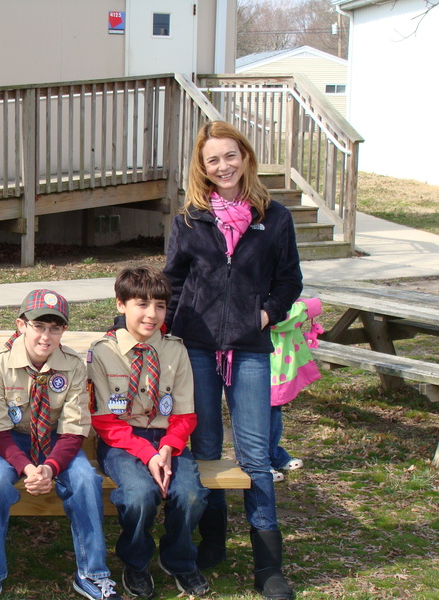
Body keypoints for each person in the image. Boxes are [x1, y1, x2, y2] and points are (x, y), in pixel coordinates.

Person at [162, 120, 302, 600]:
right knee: (204, 450)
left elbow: (289, 281)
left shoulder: (275, 216)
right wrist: (162, 330)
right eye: (212, 160)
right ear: (201, 169)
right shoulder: (188, 220)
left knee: (256, 455)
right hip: (196, 346)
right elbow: (173, 284)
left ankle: (268, 566)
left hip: (248, 348)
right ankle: (212, 540)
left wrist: (264, 315)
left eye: (230, 156)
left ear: (245, 157)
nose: (222, 166)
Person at [0, 289, 121, 600]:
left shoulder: (73, 365)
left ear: (64, 330)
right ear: (21, 325)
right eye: (39, 326)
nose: (46, 335)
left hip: (56, 441)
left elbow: (74, 430)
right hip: (10, 440)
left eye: (55, 327)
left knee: (86, 479)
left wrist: (51, 467)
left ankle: (93, 574)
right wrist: (27, 468)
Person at [87, 266, 209, 599]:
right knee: (138, 496)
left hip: (169, 440)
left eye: (160, 305)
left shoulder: (175, 350)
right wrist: (147, 454)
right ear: (120, 304)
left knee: (190, 494)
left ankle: (179, 559)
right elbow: (104, 421)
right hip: (122, 441)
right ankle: (136, 560)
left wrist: (168, 448)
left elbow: (185, 414)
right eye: (141, 304)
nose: (152, 315)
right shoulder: (102, 353)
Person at [269, 297, 323, 482]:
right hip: (267, 366)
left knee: (273, 413)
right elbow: (277, 319)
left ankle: (273, 455)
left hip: (278, 366)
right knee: (262, 417)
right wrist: (306, 308)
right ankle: (260, 461)